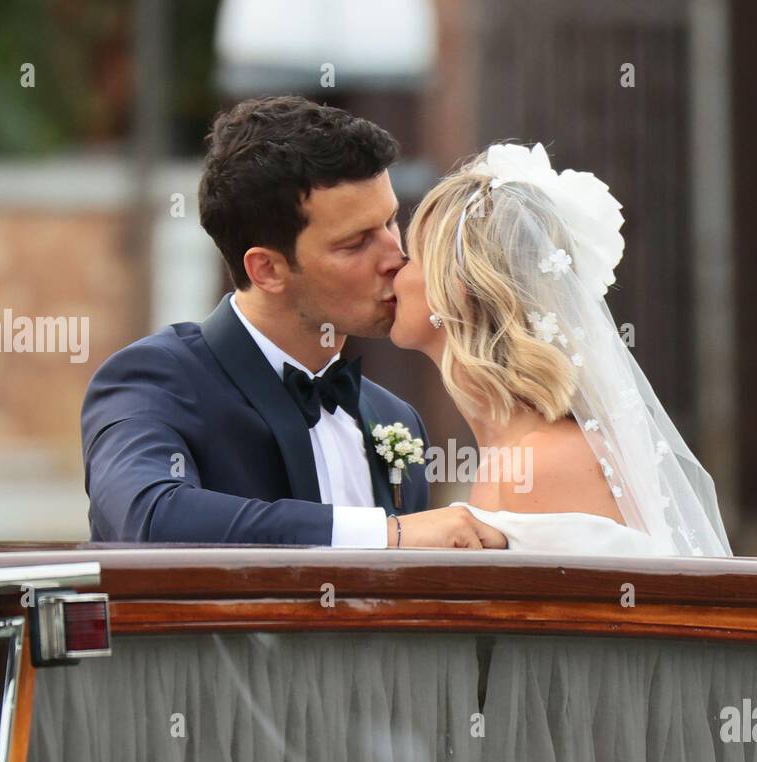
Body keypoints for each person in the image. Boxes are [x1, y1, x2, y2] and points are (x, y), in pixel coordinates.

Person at [81, 95, 506, 550]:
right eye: (356, 243)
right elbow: (149, 518)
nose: (395, 258)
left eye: (390, 222)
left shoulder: (394, 417)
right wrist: (386, 534)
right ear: (267, 269)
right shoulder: (153, 381)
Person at [389, 142, 732, 556]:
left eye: (410, 256)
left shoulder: (545, 462)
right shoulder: (516, 450)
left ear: (455, 288)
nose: (394, 269)